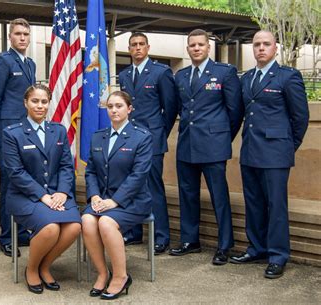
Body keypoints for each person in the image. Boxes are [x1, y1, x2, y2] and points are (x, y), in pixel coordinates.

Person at [230, 30, 309, 279]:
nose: (261, 48)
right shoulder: (247, 78)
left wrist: (287, 146)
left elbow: (300, 118)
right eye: (256, 44)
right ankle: (257, 248)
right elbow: (242, 115)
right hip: (251, 150)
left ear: (275, 48)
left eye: (266, 44)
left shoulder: (288, 76)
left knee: (276, 206)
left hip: (275, 153)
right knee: (253, 204)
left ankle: (277, 255)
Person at [170, 29, 243, 265]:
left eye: (201, 44)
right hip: (187, 144)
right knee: (187, 195)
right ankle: (190, 240)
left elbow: (235, 112)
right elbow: (179, 109)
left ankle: (224, 245)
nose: (196, 48)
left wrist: (221, 137)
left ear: (208, 47)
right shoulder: (180, 76)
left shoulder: (225, 72)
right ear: (188, 48)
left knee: (219, 197)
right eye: (192, 45)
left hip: (213, 146)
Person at [1, 84, 81, 294]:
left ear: (49, 104)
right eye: (35, 101)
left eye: (44, 101)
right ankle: (32, 269)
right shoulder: (12, 133)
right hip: (24, 196)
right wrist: (43, 196)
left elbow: (66, 165)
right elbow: (15, 172)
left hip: (58, 193)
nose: (40, 106)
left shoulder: (58, 130)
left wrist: (63, 192)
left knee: (74, 226)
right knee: (50, 228)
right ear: (25, 103)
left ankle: (45, 266)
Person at [82, 91, 153, 300]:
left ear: (129, 109)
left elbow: (138, 175)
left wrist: (115, 201)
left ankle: (121, 277)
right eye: (110, 106)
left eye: (119, 106)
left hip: (132, 201)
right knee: (86, 220)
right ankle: (103, 273)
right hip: (102, 199)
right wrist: (94, 196)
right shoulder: (98, 136)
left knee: (105, 223)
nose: (114, 110)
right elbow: (91, 171)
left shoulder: (142, 137)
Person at [118, 32, 178, 254]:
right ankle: (133, 233)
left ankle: (161, 237)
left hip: (152, 139)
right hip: (128, 139)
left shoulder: (161, 72)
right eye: (133, 45)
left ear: (148, 47)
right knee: (130, 186)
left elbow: (170, 108)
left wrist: (160, 131)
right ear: (129, 48)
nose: (138, 48)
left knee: (153, 187)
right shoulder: (124, 75)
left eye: (141, 44)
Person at [0, 18, 36, 257]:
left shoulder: (30, 63)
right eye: (18, 34)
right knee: (8, 183)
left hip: (26, 131)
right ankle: (7, 236)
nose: (22, 38)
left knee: (24, 182)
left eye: (26, 34)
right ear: (10, 37)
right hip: (7, 131)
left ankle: (23, 232)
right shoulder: (2, 61)